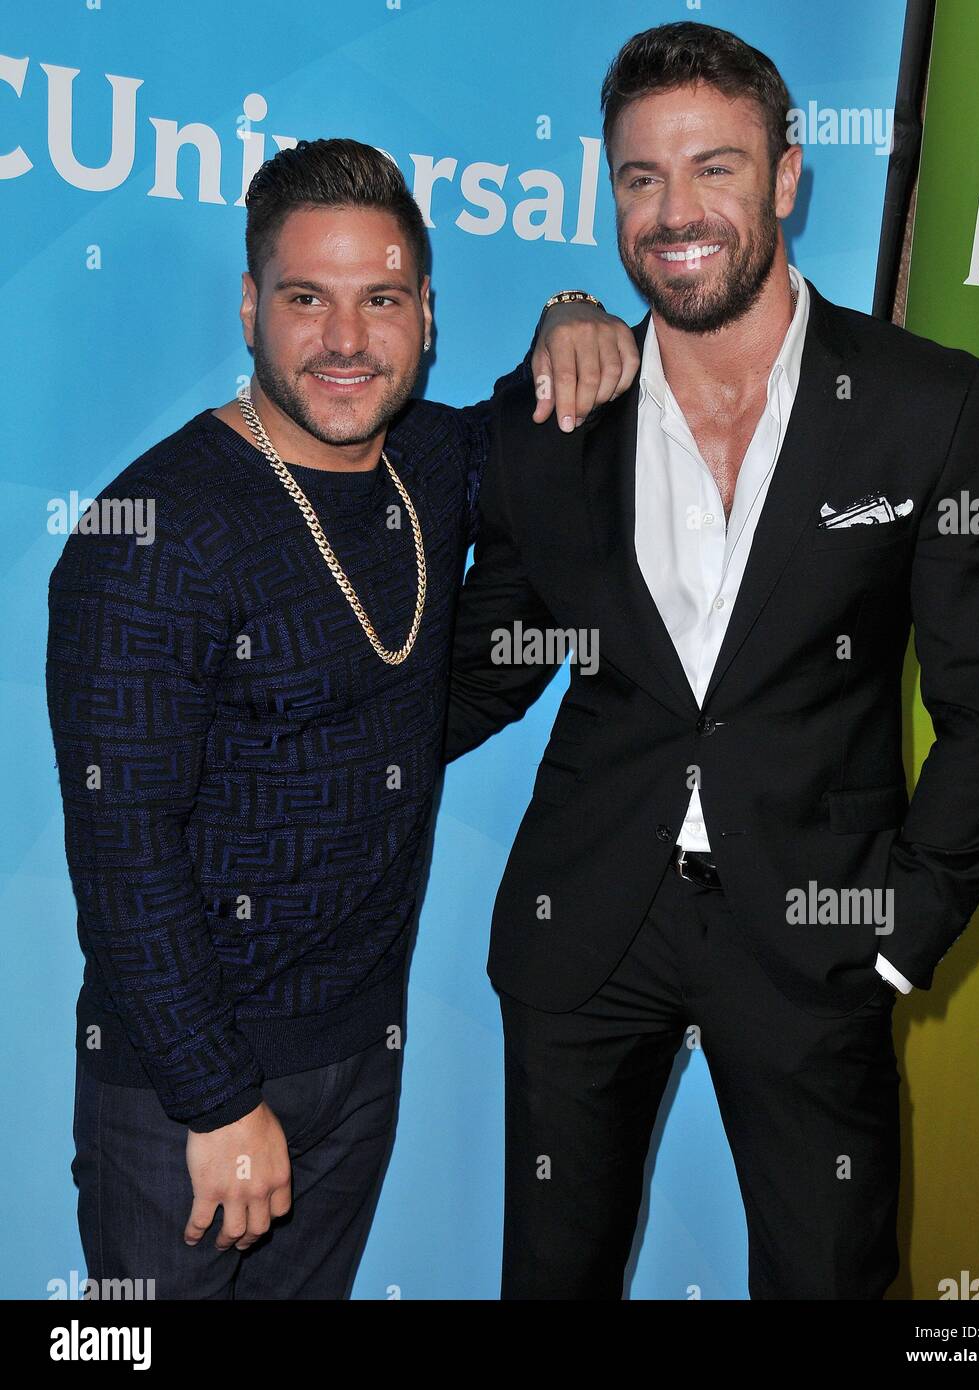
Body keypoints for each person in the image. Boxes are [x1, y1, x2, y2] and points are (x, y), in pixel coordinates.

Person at [444, 23, 979, 1299]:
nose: (676, 214)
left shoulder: (924, 405)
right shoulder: (555, 412)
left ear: (785, 177)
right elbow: (497, 657)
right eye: (640, 178)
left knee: (828, 1280)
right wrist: (308, 718)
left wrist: (897, 930)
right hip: (585, 925)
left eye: (713, 169)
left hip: (815, 927)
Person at [46, 137, 637, 1300]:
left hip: (357, 1056)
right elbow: (122, 855)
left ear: (425, 313)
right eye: (306, 298)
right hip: (183, 1084)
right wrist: (215, 1102)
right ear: (250, 306)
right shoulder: (150, 534)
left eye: (380, 299)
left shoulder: (426, 453)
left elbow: (539, 407)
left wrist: (573, 307)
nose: (346, 341)